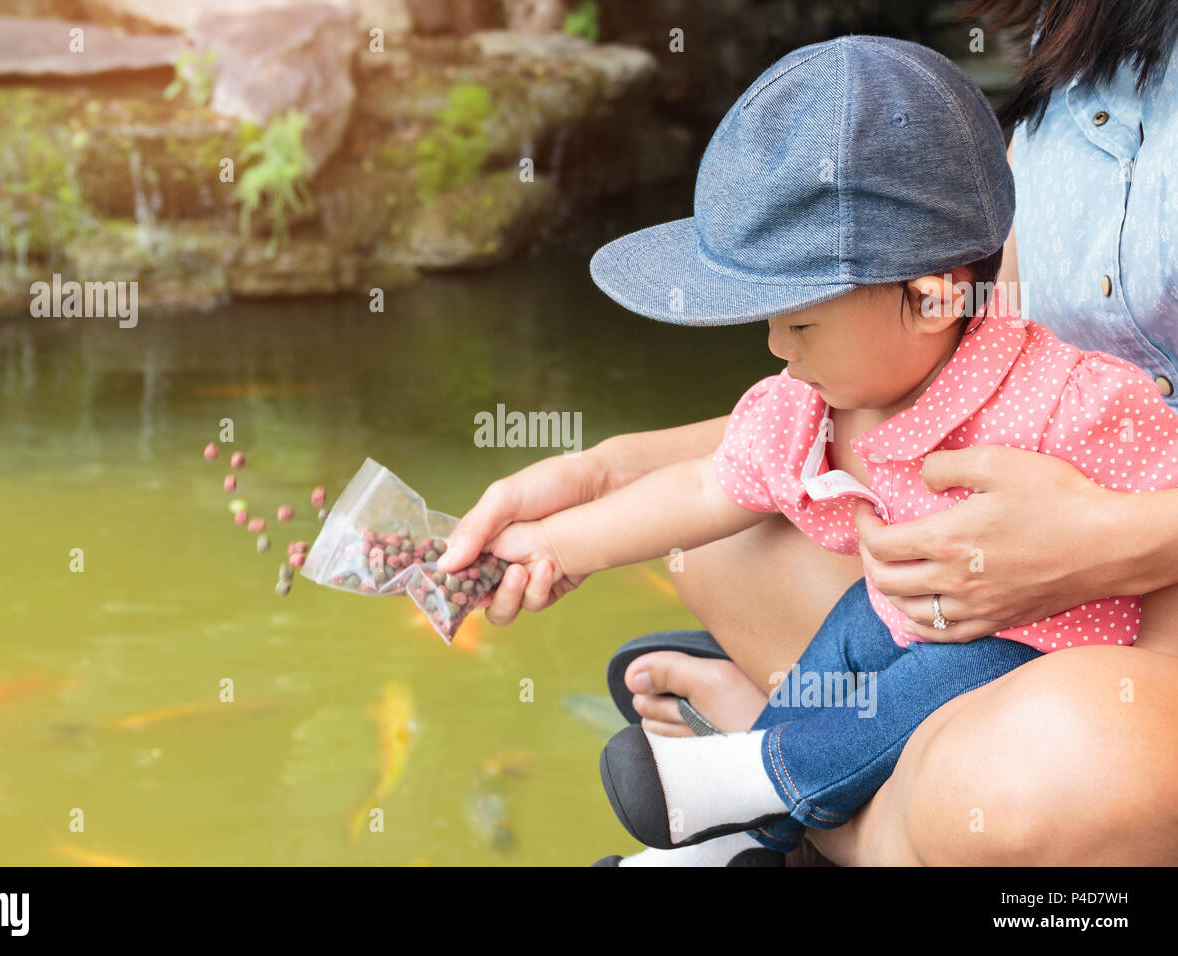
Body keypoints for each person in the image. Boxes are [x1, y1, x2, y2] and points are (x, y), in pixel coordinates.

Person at [438, 3, 1178, 865]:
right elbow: (708, 483)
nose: (774, 349)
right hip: (918, 596)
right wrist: (563, 526)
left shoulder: (1076, 401)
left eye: (801, 326)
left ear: (937, 297)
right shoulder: (1070, 60)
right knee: (730, 551)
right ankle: (757, 788)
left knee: (983, 764)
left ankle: (770, 785)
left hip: (1056, 633)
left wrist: (1111, 544)